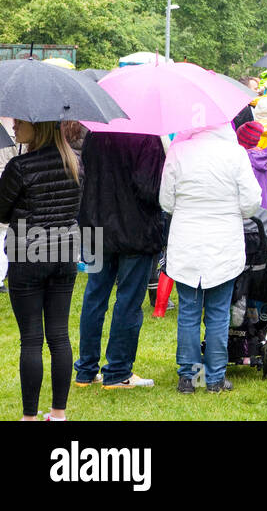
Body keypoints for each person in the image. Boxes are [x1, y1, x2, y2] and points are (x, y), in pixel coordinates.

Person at [159, 122, 262, 394]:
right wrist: (232, 212)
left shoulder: (178, 152)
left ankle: (191, 378)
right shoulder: (235, 153)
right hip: (223, 243)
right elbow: (252, 201)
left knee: (189, 313)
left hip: (187, 242)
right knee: (218, 314)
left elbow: (166, 202)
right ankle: (215, 378)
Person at [0, 119, 82, 420]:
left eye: (21, 122)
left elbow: (1, 209)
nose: (15, 126)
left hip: (28, 252)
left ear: (39, 126)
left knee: (32, 339)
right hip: (64, 251)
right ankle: (58, 412)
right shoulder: (75, 163)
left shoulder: (20, 167)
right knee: (59, 336)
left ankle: (30, 416)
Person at [75, 131, 166, 390]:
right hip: (133, 230)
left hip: (98, 225)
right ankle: (116, 371)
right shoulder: (146, 137)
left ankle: (87, 369)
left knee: (95, 295)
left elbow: (87, 175)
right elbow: (150, 189)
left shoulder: (96, 133)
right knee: (126, 300)